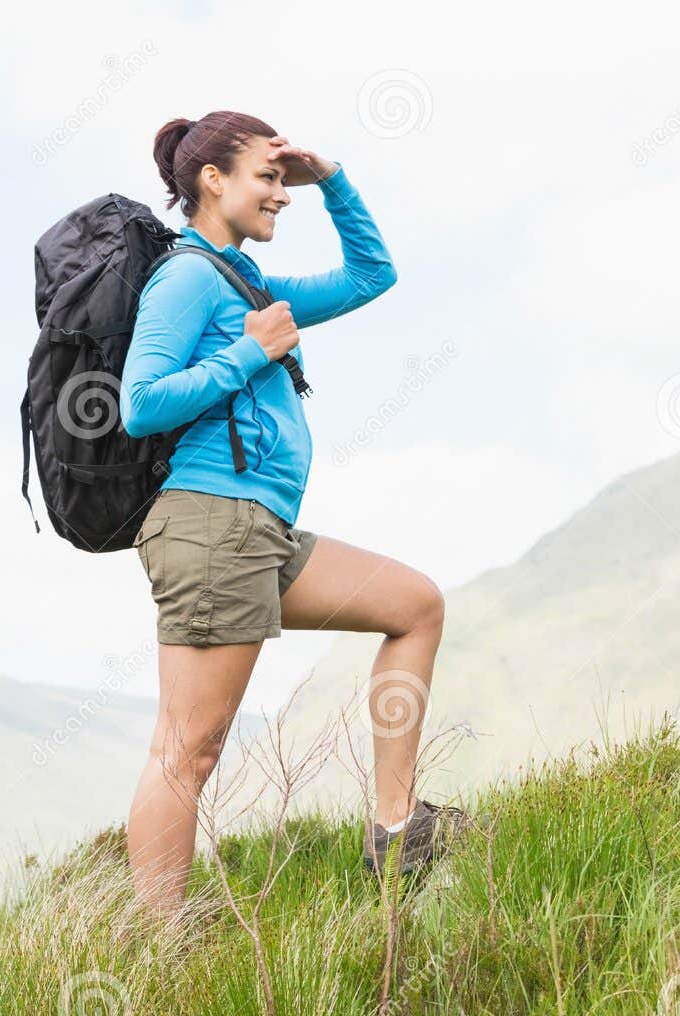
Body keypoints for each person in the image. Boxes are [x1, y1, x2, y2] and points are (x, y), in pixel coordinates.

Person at [119, 110, 464, 917]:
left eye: (283, 179)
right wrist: (252, 350)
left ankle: (396, 831)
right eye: (266, 179)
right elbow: (140, 404)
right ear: (213, 182)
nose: (282, 195)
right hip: (211, 525)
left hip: (256, 530)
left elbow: (372, 276)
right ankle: (154, 947)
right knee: (187, 752)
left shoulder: (250, 282)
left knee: (414, 606)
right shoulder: (188, 278)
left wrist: (332, 178)